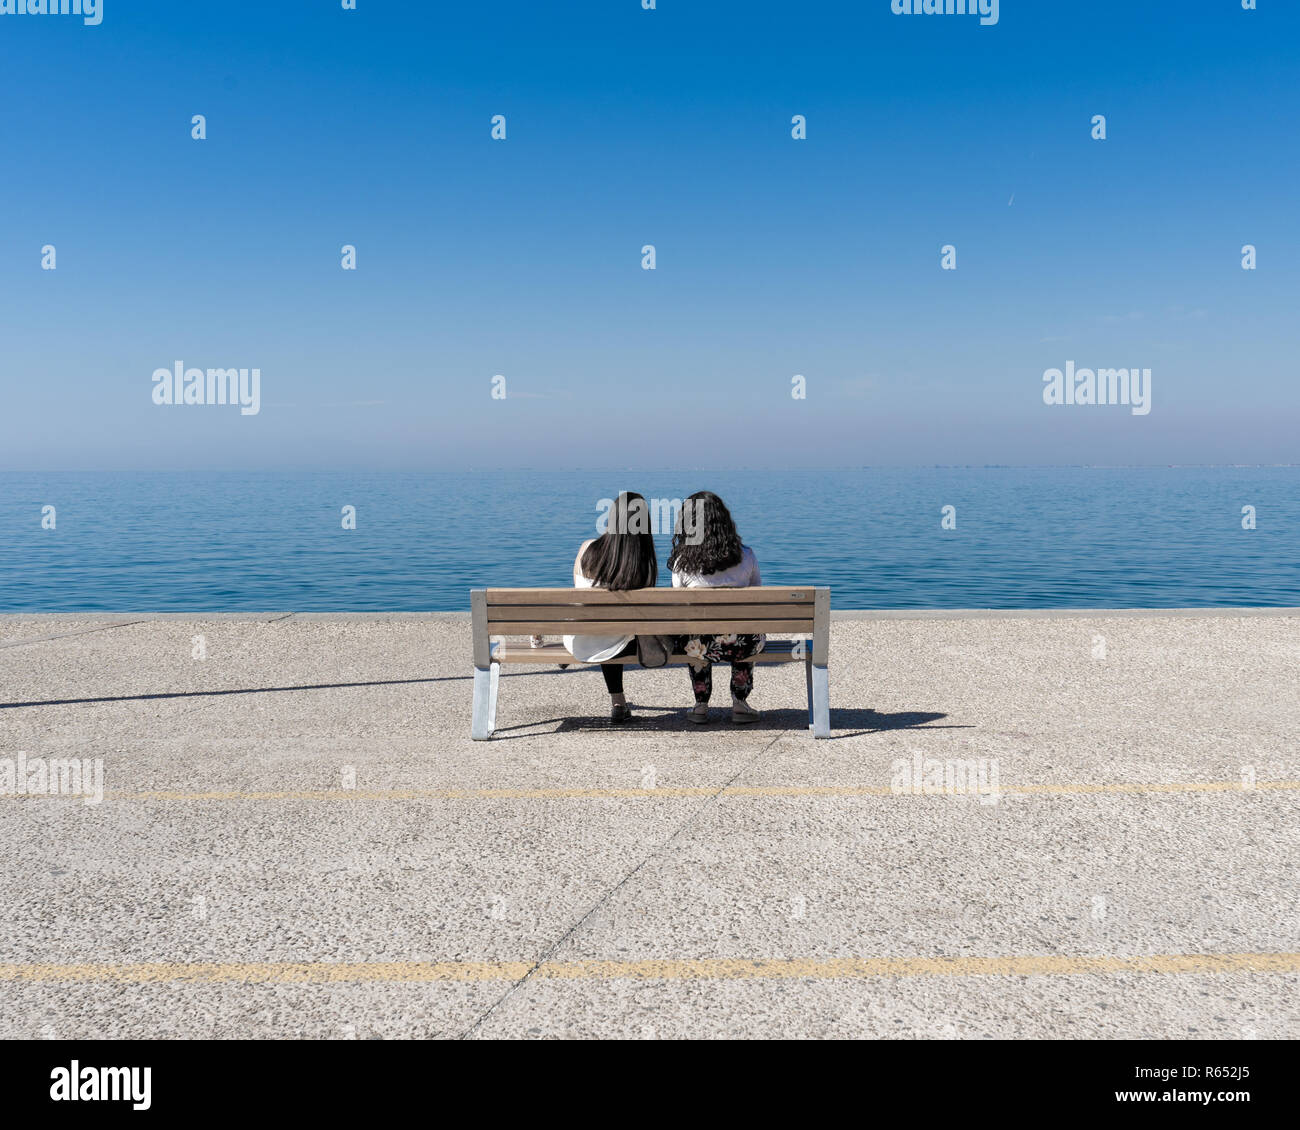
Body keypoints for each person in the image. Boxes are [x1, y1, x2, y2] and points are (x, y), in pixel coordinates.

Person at [668, 491, 764, 724]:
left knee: (694, 636)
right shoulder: (747, 556)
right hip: (744, 644)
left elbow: (679, 605)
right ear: (724, 522)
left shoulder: (682, 562)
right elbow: (757, 596)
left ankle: (700, 706)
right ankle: (740, 703)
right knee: (745, 629)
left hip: (698, 646)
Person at [562, 491, 658, 723]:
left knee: (606, 629)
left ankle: (618, 701)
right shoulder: (642, 563)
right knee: (618, 632)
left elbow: (577, 588)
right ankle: (618, 703)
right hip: (617, 641)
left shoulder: (587, 549)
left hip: (579, 638)